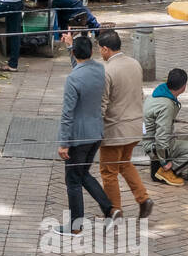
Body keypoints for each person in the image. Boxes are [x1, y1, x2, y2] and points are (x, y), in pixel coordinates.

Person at [58, 33, 118, 232]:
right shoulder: (99, 69)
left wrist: (64, 142)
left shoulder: (73, 79)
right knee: (83, 174)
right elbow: (81, 69)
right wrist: (70, 47)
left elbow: (67, 114)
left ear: (75, 54)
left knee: (73, 180)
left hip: (78, 137)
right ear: (92, 51)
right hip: (96, 133)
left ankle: (75, 225)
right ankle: (109, 209)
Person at [99, 29, 153, 218]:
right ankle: (143, 198)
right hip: (134, 127)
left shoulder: (107, 71)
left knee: (108, 172)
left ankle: (114, 209)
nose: (100, 53)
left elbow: (102, 104)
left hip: (115, 130)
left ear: (105, 49)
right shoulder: (134, 64)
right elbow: (140, 94)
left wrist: (96, 128)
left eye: (100, 49)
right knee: (124, 164)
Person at [142, 68, 188, 184]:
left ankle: (169, 165)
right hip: (155, 147)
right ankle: (168, 171)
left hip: (150, 141)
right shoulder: (166, 105)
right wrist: (164, 163)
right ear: (184, 86)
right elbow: (162, 137)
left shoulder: (159, 93)